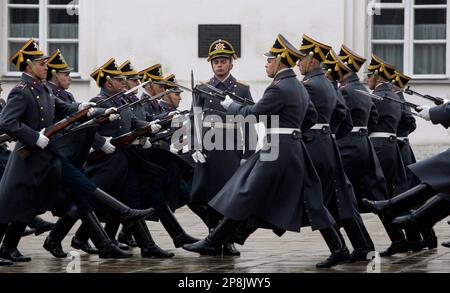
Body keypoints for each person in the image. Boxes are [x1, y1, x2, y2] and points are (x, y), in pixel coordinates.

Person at [184, 34, 349, 269]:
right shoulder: (298, 87)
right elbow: (311, 116)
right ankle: (339, 248)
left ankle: (214, 240)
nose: (266, 65)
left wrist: (233, 107)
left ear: (280, 61)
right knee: (313, 200)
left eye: (269, 61)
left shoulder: (280, 88)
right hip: (294, 147)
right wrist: (289, 131)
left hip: (278, 149)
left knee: (245, 191)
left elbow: (253, 114)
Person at [0, 40, 153, 262]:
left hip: (48, 157)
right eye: (41, 64)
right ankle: (6, 248)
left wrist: (93, 109)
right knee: (12, 204)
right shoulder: (20, 92)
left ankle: (123, 214)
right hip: (27, 159)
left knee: (78, 186)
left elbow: (66, 109)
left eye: (45, 64)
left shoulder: (41, 90)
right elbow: (7, 122)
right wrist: (35, 137)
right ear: (28, 66)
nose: (45, 67)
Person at [297, 35, 371, 262]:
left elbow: (301, 116)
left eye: (300, 59)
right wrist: (328, 133)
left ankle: (339, 249)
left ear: (311, 60)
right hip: (329, 144)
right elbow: (343, 116)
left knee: (315, 198)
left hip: (312, 145)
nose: (298, 64)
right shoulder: (330, 84)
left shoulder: (309, 85)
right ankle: (361, 247)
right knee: (340, 197)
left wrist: (313, 133)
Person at [189, 39, 254, 256]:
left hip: (231, 148)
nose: (219, 65)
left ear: (231, 64)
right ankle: (212, 235)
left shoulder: (242, 89)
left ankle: (228, 240)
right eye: (215, 61)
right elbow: (194, 119)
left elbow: (250, 122)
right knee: (206, 195)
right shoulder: (202, 88)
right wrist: (195, 146)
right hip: (207, 148)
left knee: (229, 195)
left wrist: (248, 154)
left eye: (223, 61)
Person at [365, 54, 420, 255]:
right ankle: (413, 238)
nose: (367, 79)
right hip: (392, 146)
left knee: (383, 197)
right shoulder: (394, 96)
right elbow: (407, 122)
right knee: (397, 195)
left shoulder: (378, 96)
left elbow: (368, 121)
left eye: (369, 75)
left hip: (379, 147)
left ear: (378, 77)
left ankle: (400, 239)